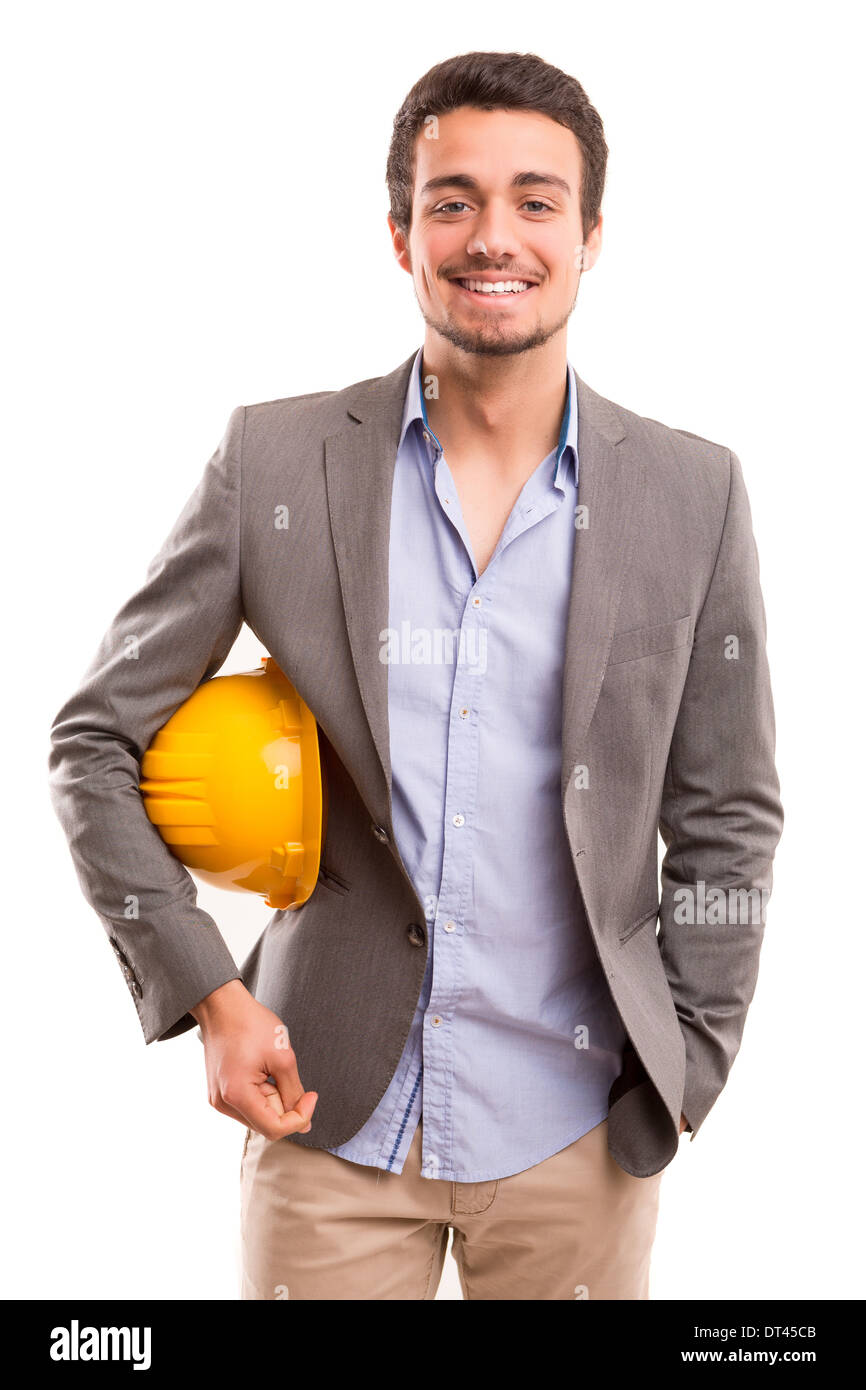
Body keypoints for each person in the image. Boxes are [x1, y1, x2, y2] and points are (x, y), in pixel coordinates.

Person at [48, 50, 784, 1301]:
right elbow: (93, 744)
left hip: (579, 1134)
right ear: (401, 234)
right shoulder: (274, 462)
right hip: (325, 1115)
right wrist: (210, 994)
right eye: (452, 200)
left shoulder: (691, 491)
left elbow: (726, 810)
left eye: (534, 200)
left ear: (590, 234)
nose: (492, 235)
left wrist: (686, 1057)